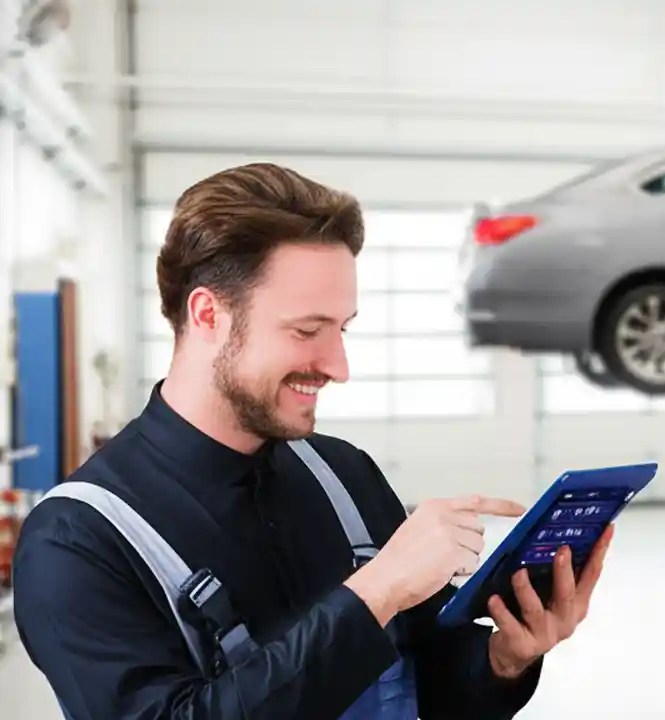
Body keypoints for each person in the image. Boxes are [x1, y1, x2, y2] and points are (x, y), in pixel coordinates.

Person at [12, 163, 614, 719]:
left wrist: (504, 660)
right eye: (307, 330)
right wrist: (376, 591)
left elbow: (432, 686)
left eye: (342, 329)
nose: (338, 365)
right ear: (207, 315)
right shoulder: (78, 541)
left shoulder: (346, 478)